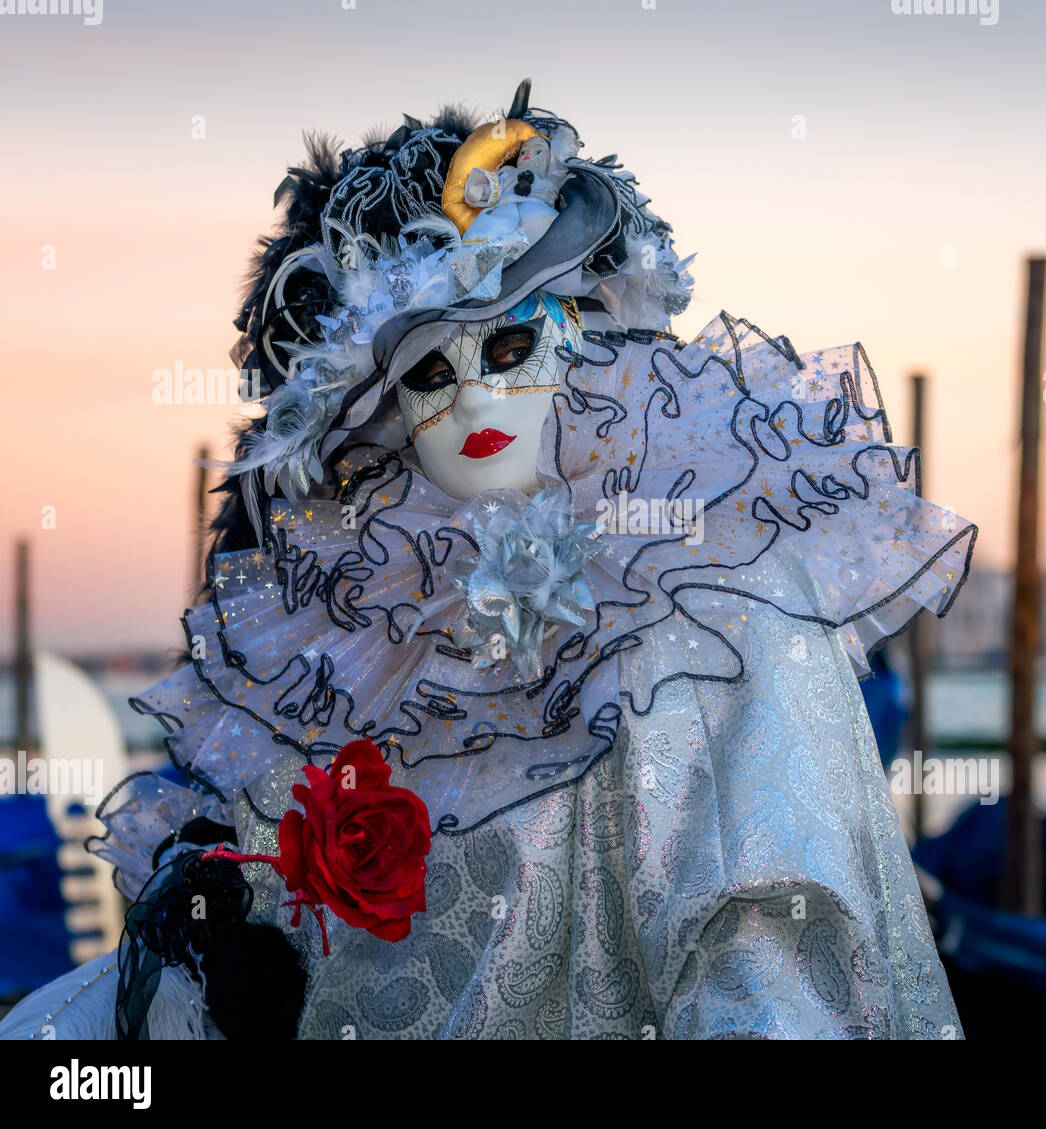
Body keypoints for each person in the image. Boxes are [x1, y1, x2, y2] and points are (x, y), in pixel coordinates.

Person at [1, 80, 976, 1040]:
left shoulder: (715, 597)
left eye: (509, 344)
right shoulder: (357, 636)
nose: (470, 400)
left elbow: (767, 958)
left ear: (590, 340)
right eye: (427, 370)